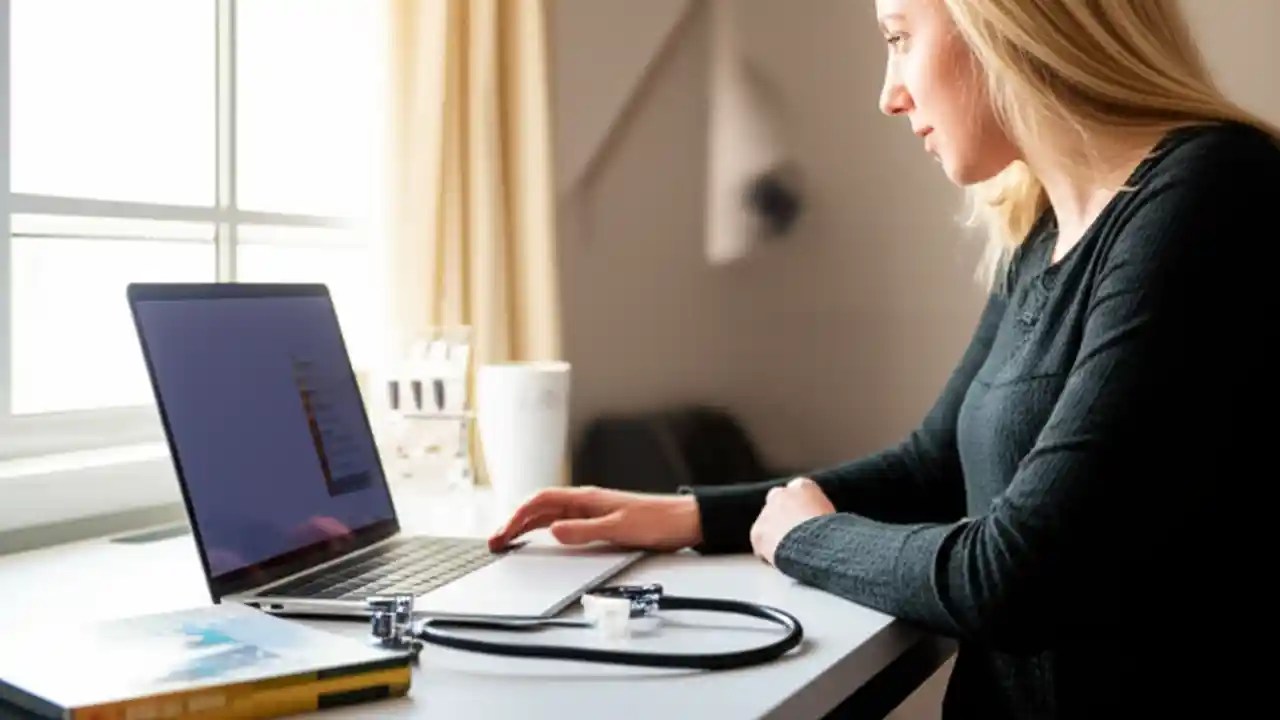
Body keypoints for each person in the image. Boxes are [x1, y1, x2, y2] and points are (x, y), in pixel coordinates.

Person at [490, 0, 1279, 716]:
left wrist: (804, 538)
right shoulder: (1047, 224)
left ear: (1008, 23)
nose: (889, 94)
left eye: (899, 39)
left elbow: (1013, 577)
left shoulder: (1211, 193)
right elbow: (932, 468)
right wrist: (695, 517)